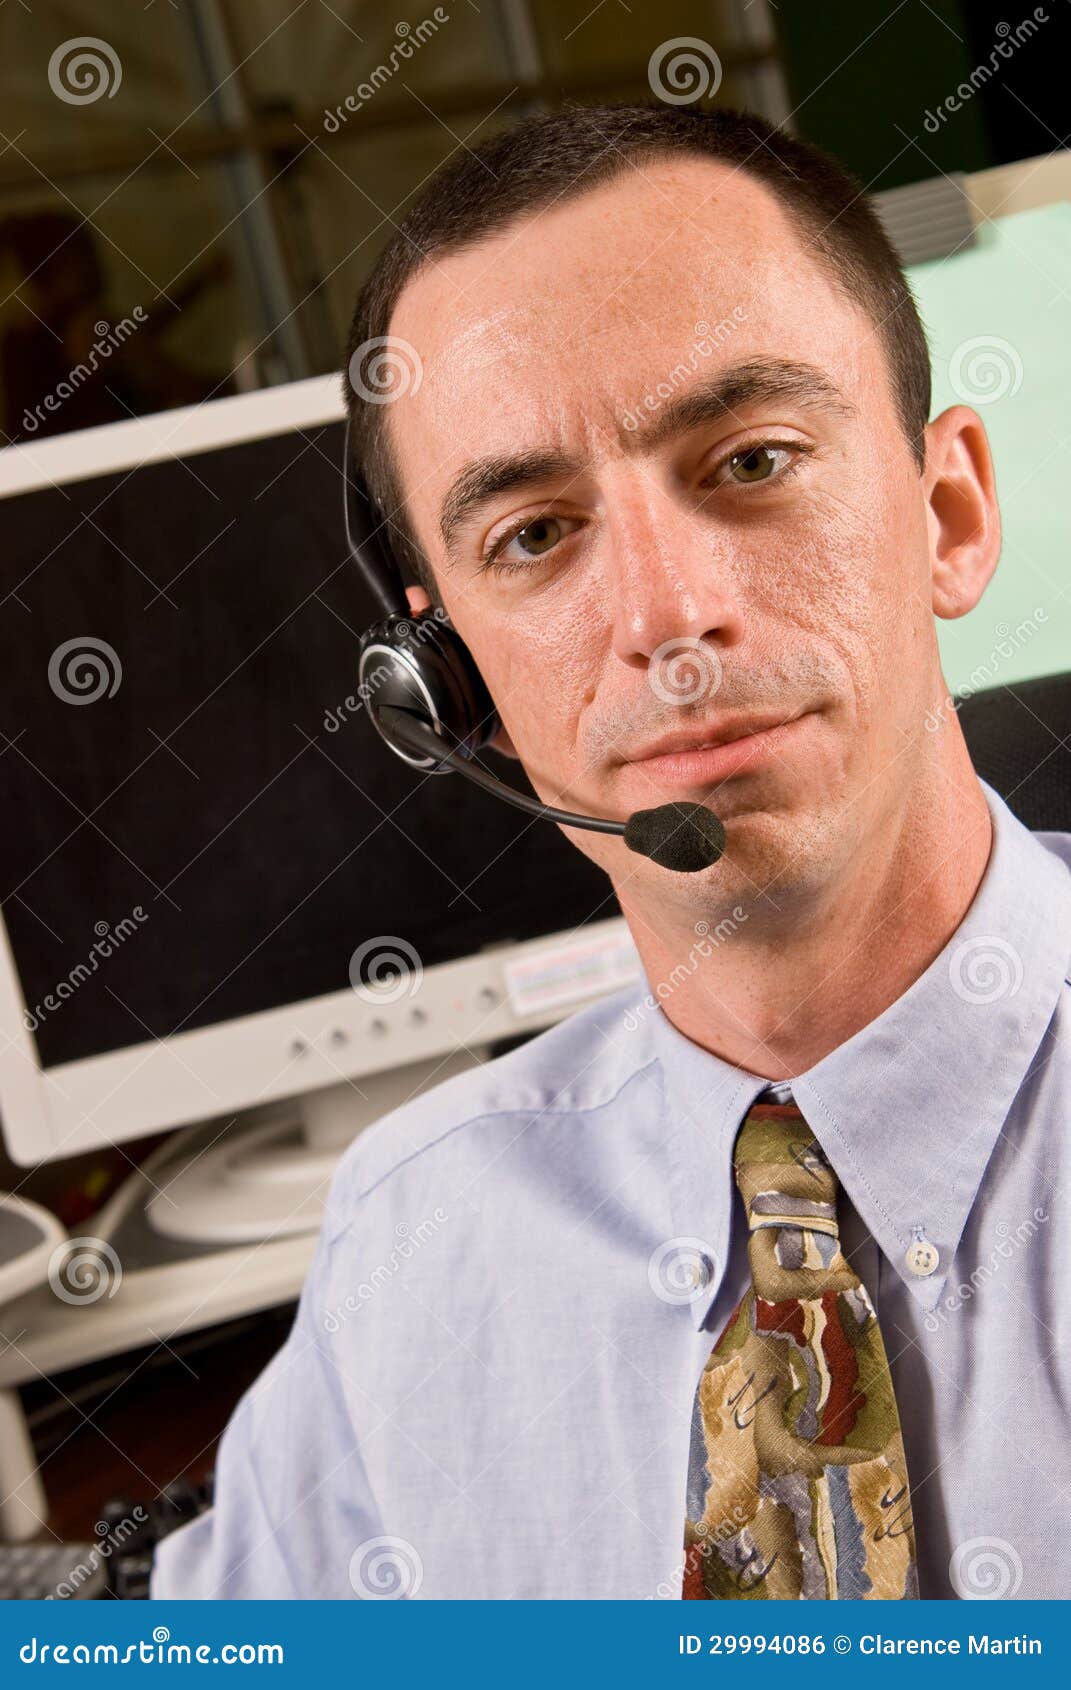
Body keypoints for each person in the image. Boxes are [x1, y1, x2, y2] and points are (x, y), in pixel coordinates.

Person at [151, 103, 1071, 1601]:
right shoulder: (415, 1240)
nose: (664, 613)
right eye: (531, 534)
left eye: (752, 457)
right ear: (447, 695)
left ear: (951, 513)